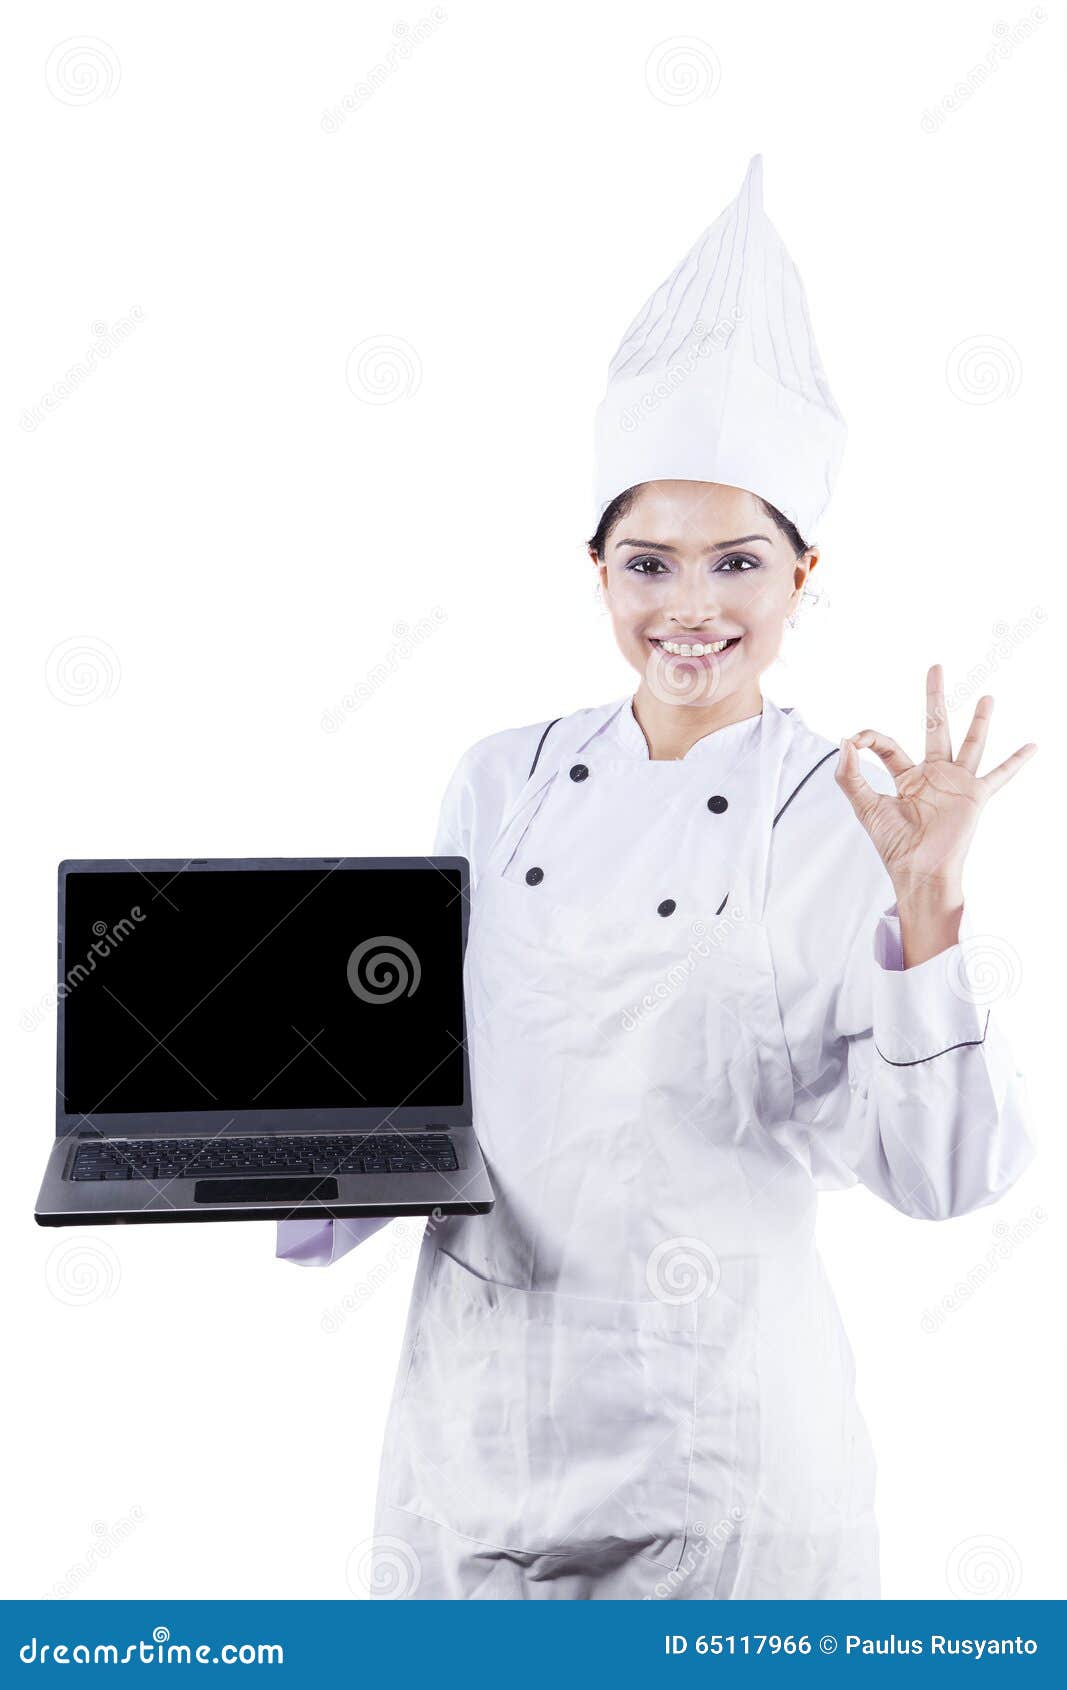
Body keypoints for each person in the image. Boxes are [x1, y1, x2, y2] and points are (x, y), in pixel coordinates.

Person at [277, 157, 1038, 1599]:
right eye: (649, 564)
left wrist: (929, 900)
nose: (691, 609)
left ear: (805, 575)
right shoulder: (496, 783)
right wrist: (269, 1151)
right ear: (598, 569)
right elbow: (420, 1078)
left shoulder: (842, 811)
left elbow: (947, 1176)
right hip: (481, 1435)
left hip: (729, 1463)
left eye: (737, 561)